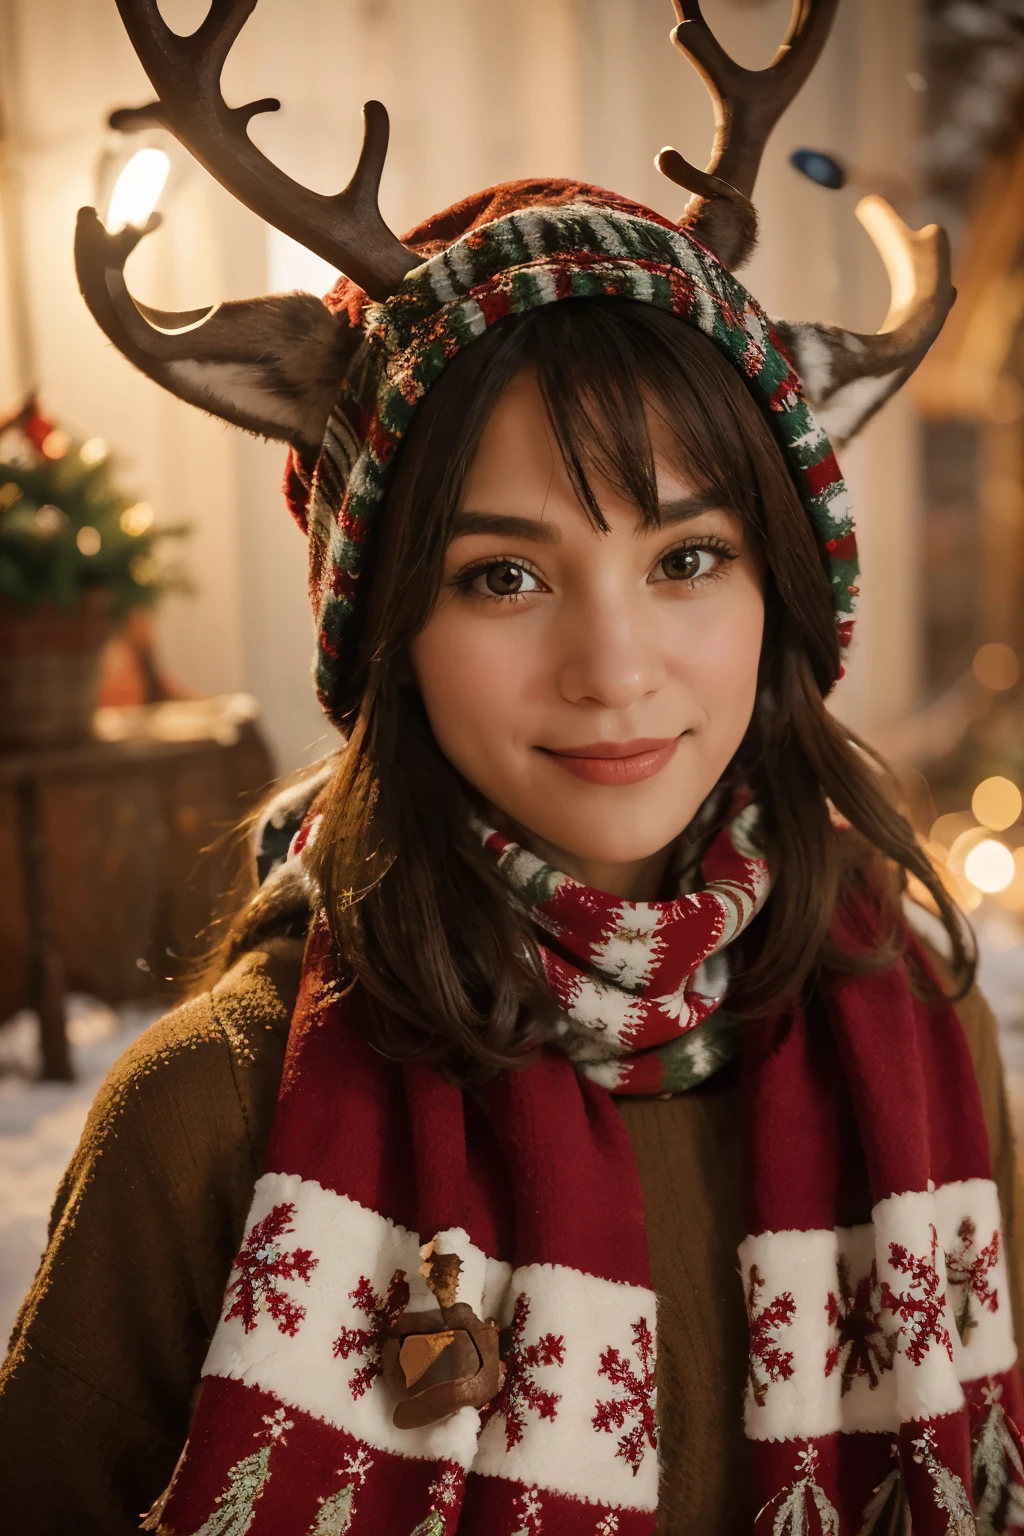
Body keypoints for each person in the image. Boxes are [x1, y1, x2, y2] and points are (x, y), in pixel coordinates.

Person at [4, 2, 1023, 1533]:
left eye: (688, 557)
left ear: (785, 589)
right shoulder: (209, 1115)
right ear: (385, 628)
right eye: (503, 576)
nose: (614, 667)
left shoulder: (926, 1037)